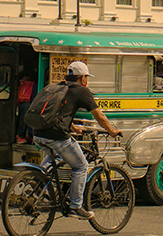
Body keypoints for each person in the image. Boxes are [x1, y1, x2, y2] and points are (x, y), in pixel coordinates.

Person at [32, 61, 122, 220]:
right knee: (81, 165)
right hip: (56, 136)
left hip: (38, 134)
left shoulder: (60, 87)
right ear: (82, 78)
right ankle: (75, 206)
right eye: (86, 77)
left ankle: (38, 182)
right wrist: (112, 131)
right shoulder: (82, 91)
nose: (87, 80)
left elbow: (58, 112)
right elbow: (100, 116)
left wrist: (73, 128)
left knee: (59, 156)